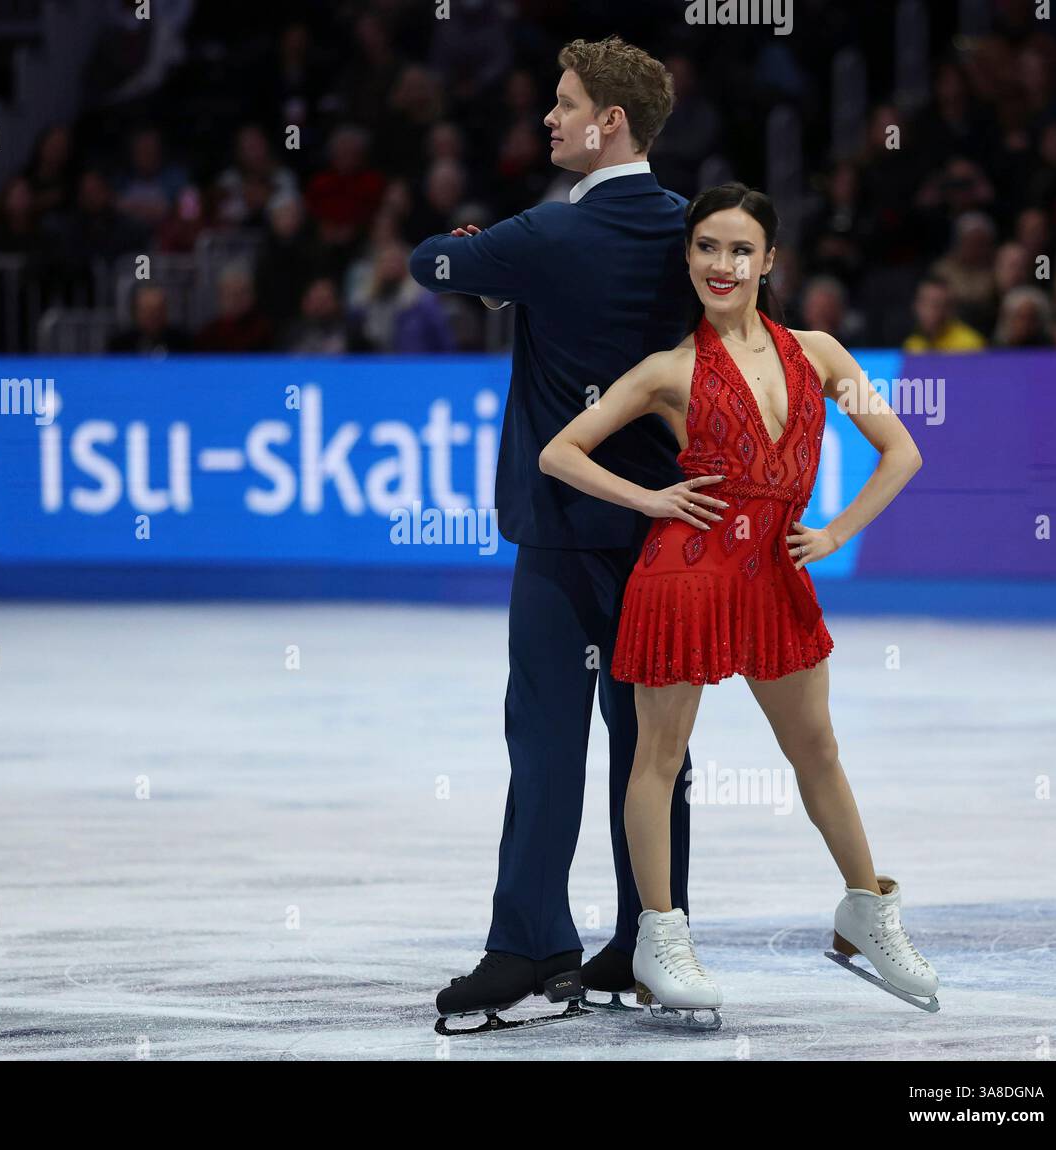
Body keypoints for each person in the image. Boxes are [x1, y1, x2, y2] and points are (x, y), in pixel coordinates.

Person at [539, 183, 940, 1019]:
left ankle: (865, 909)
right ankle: (659, 933)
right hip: (683, 576)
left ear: (768, 261)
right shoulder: (668, 369)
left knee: (819, 751)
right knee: (659, 757)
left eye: (740, 249)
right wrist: (651, 500)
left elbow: (901, 452)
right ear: (687, 258)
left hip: (776, 578)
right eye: (707, 248)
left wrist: (832, 534)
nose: (723, 264)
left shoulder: (822, 353)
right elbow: (560, 452)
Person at [409, 35, 694, 1032]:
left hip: (567, 534)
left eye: (564, 103)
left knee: (544, 741)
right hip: (667, 536)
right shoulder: (690, 234)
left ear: (607, 122)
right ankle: (650, 940)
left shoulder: (547, 233)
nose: (547, 118)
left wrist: (485, 256)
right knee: (653, 751)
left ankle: (530, 945)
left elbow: (428, 260)